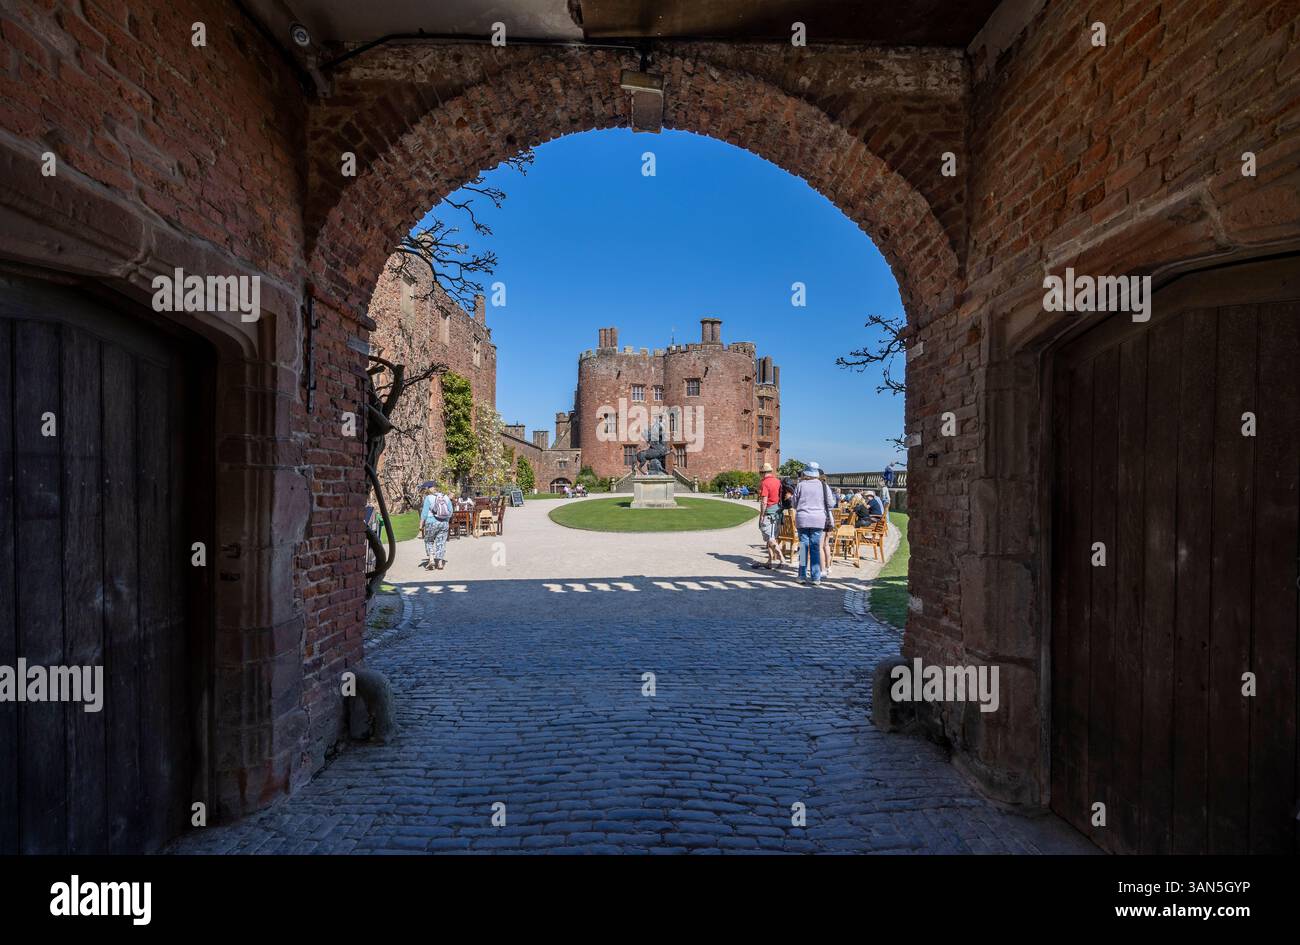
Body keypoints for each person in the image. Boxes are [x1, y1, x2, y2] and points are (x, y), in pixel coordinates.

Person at [792, 461, 835, 586]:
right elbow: (831, 504)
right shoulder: (823, 486)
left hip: (803, 518)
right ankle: (816, 577)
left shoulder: (801, 485)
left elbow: (794, 503)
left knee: (803, 547)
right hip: (818, 519)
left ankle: (802, 575)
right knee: (815, 547)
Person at [752, 463, 788, 571]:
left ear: (763, 472)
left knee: (770, 539)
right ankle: (770, 561)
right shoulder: (777, 481)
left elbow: (764, 501)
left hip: (770, 513)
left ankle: (782, 560)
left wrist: (761, 515)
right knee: (771, 538)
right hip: (778, 512)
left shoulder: (764, 483)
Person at [419, 482, 453, 571]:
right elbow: (450, 511)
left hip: (431, 522)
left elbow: (424, 513)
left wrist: (421, 525)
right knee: (441, 542)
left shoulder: (428, 498)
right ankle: (440, 563)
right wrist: (446, 521)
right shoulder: (446, 497)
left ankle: (431, 559)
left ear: (430, 489)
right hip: (444, 523)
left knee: (429, 541)